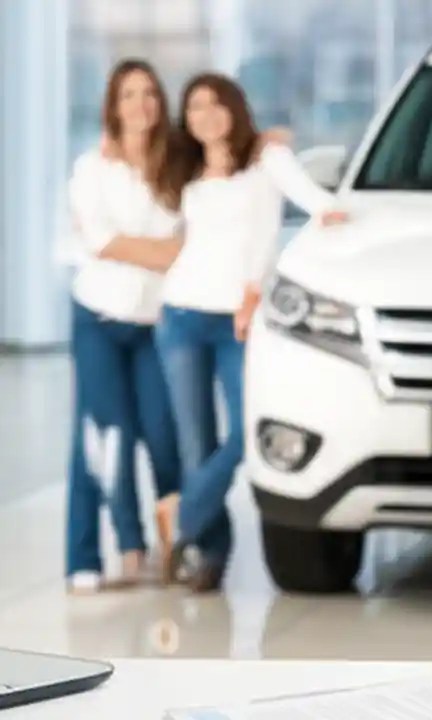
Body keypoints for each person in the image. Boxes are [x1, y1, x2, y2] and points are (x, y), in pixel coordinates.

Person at [153, 72, 346, 593]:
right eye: (195, 107)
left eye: (216, 105)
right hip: (180, 315)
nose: (205, 116)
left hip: (238, 318)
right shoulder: (186, 168)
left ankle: (183, 517)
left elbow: (319, 206)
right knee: (197, 445)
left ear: (235, 109)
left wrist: (257, 289)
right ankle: (208, 558)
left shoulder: (267, 157)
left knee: (246, 434)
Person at [63, 58, 186, 594]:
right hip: (97, 318)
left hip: (155, 326)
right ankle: (101, 553)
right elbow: (100, 242)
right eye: (129, 94)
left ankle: (176, 548)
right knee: (104, 437)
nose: (141, 104)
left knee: (163, 438)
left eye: (150, 93)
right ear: (113, 106)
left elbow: (194, 242)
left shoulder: (180, 168)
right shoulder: (93, 167)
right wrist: (167, 252)